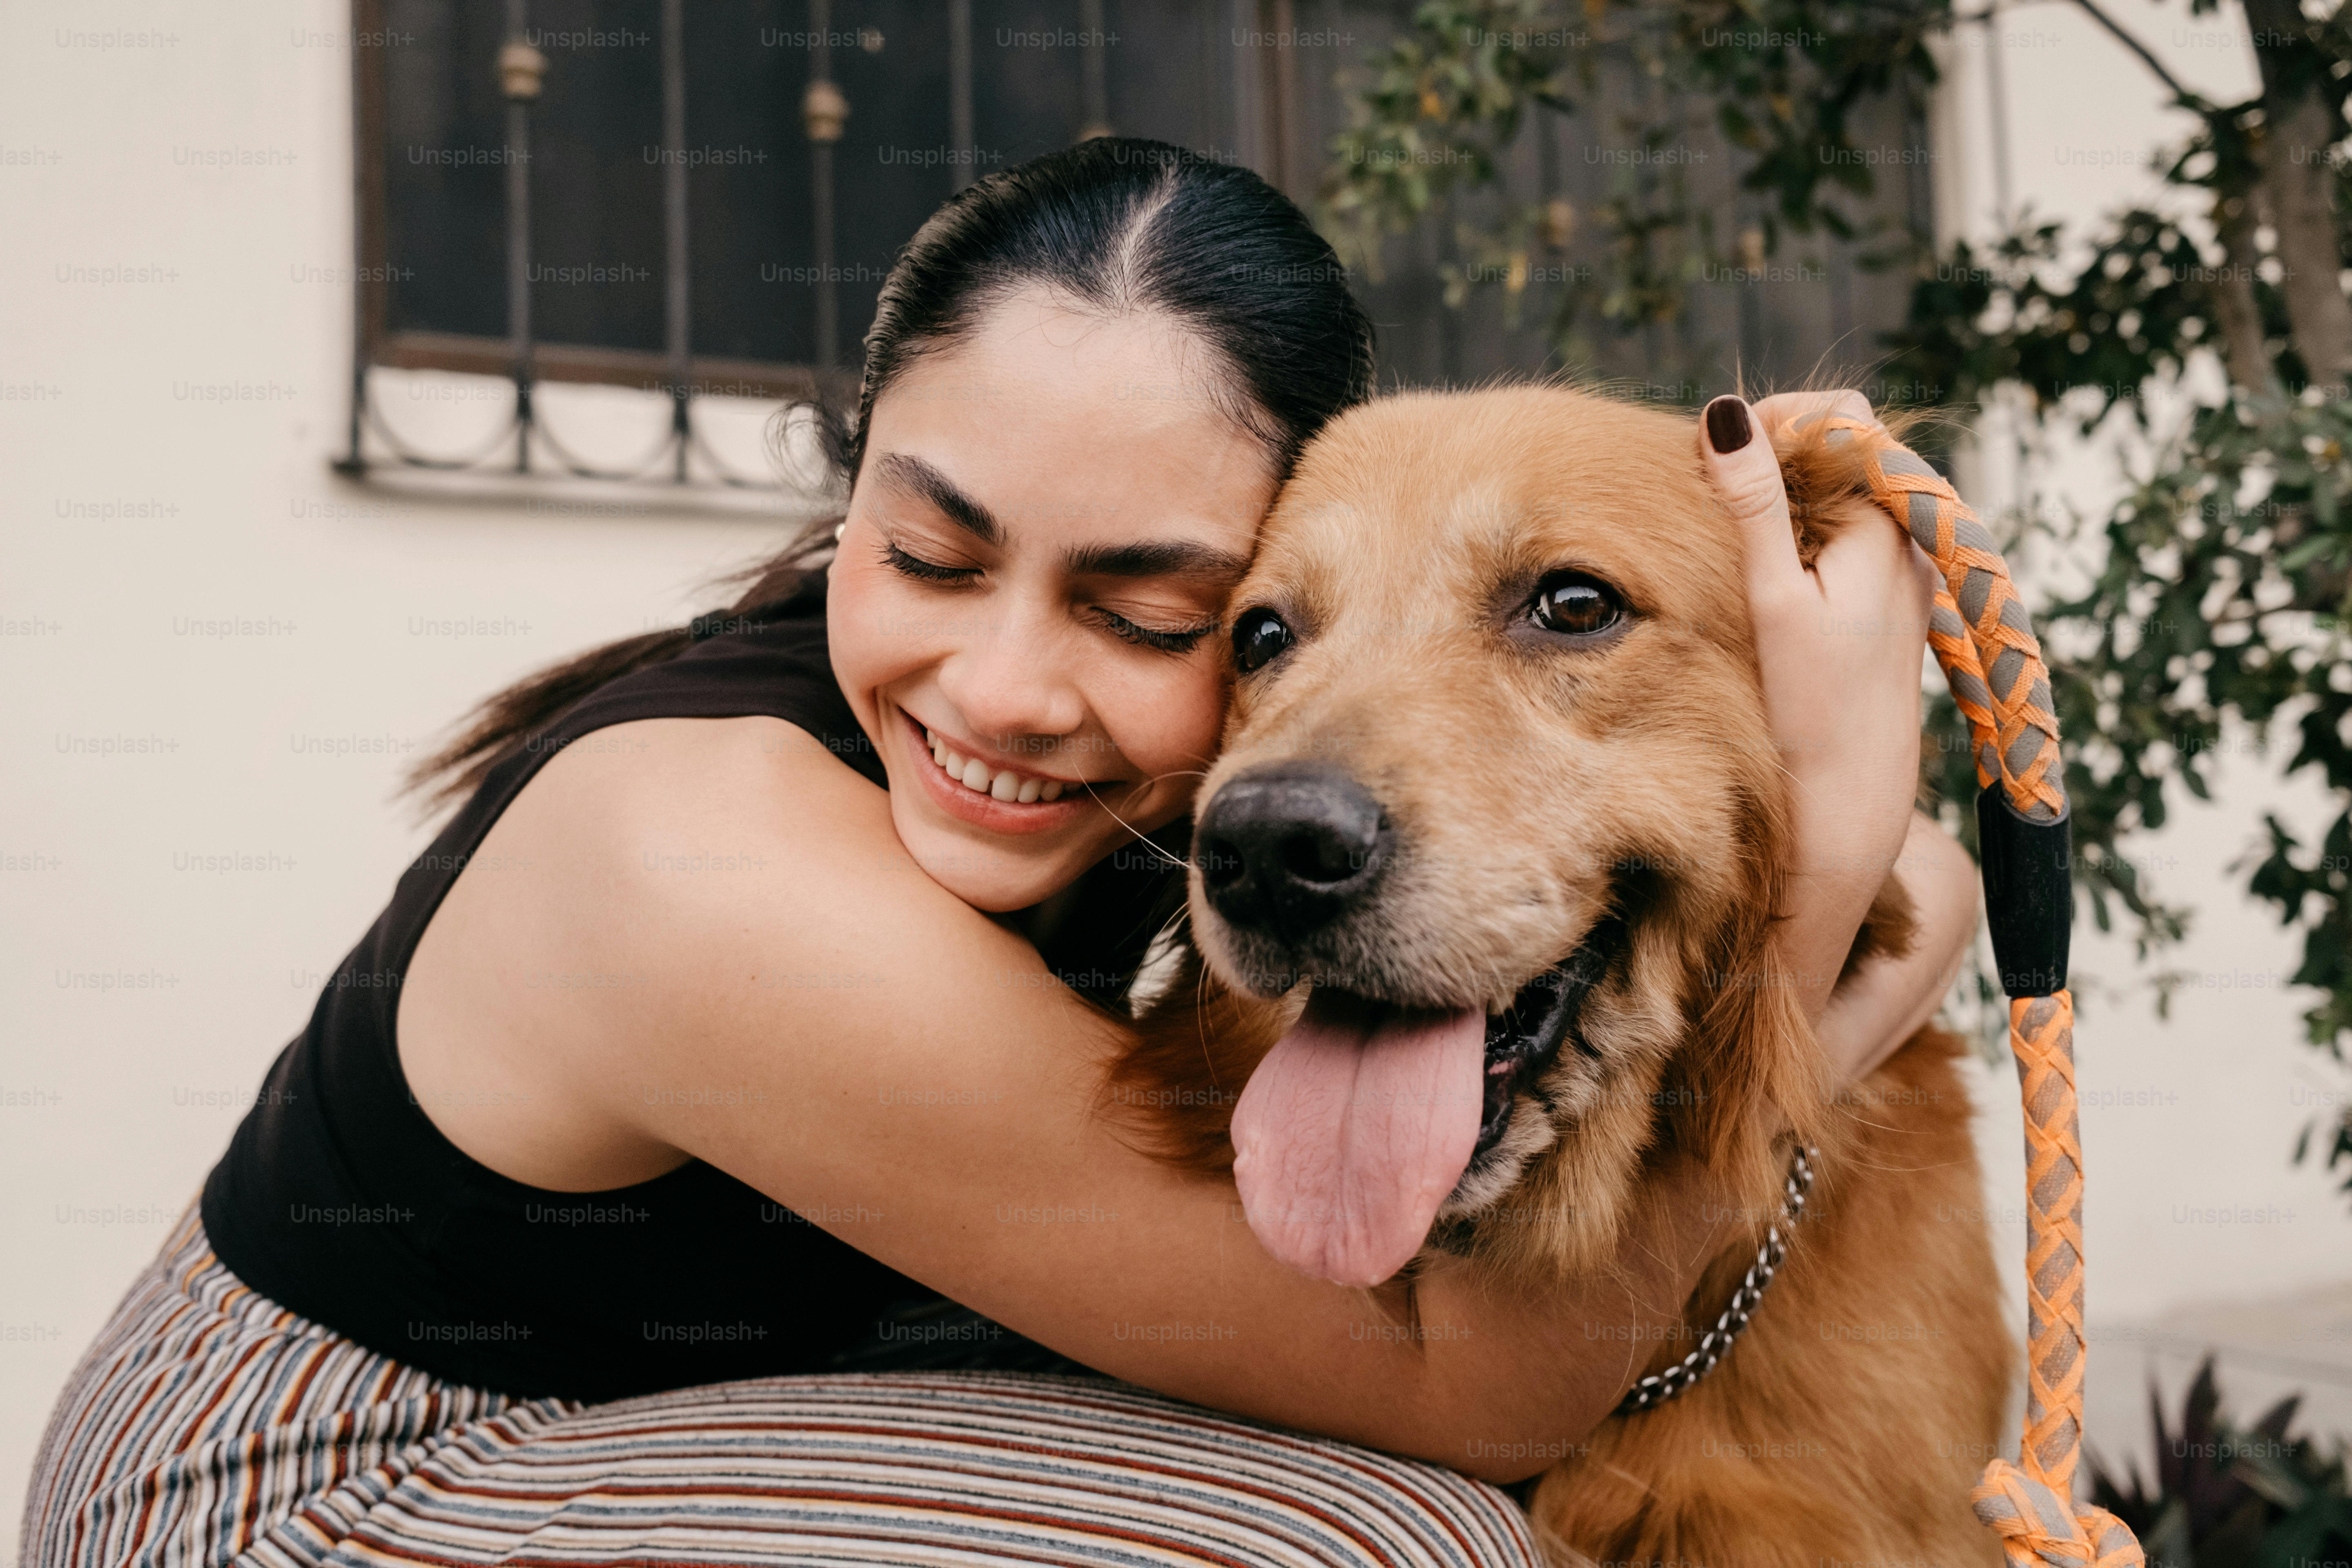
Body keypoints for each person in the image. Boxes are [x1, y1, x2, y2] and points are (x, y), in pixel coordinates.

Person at [24, 139, 1973, 1568]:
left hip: (669, 1417)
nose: (1009, 686)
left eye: (1160, 612)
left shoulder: (1171, 778)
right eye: (932, 554)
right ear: (846, 477)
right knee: (1376, 1546)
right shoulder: (692, 866)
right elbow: (1473, 1392)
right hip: (311, 1498)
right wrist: (1819, 939)